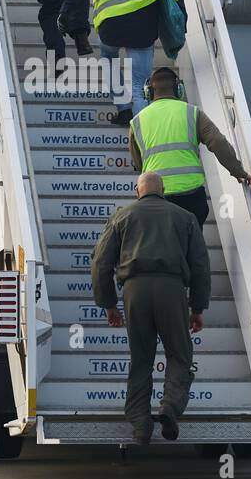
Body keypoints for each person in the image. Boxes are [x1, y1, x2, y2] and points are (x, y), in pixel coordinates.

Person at [90, 172, 212, 445]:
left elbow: (100, 263)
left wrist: (109, 304)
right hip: (172, 290)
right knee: (180, 355)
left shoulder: (121, 217)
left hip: (135, 291)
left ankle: (140, 425)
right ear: (164, 190)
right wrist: (197, 307)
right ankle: (169, 407)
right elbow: (201, 266)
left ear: (137, 191)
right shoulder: (185, 218)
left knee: (141, 358)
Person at [58, 0, 187, 125]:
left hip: (111, 27)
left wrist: (65, 15)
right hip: (143, 28)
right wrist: (182, 26)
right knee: (139, 85)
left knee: (109, 58)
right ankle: (142, 133)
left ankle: (123, 108)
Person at [129, 67, 251, 227]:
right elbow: (218, 142)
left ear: (148, 92)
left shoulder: (137, 122)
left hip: (157, 196)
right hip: (191, 195)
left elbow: (138, 163)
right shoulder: (192, 113)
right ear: (178, 89)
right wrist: (238, 171)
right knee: (192, 246)